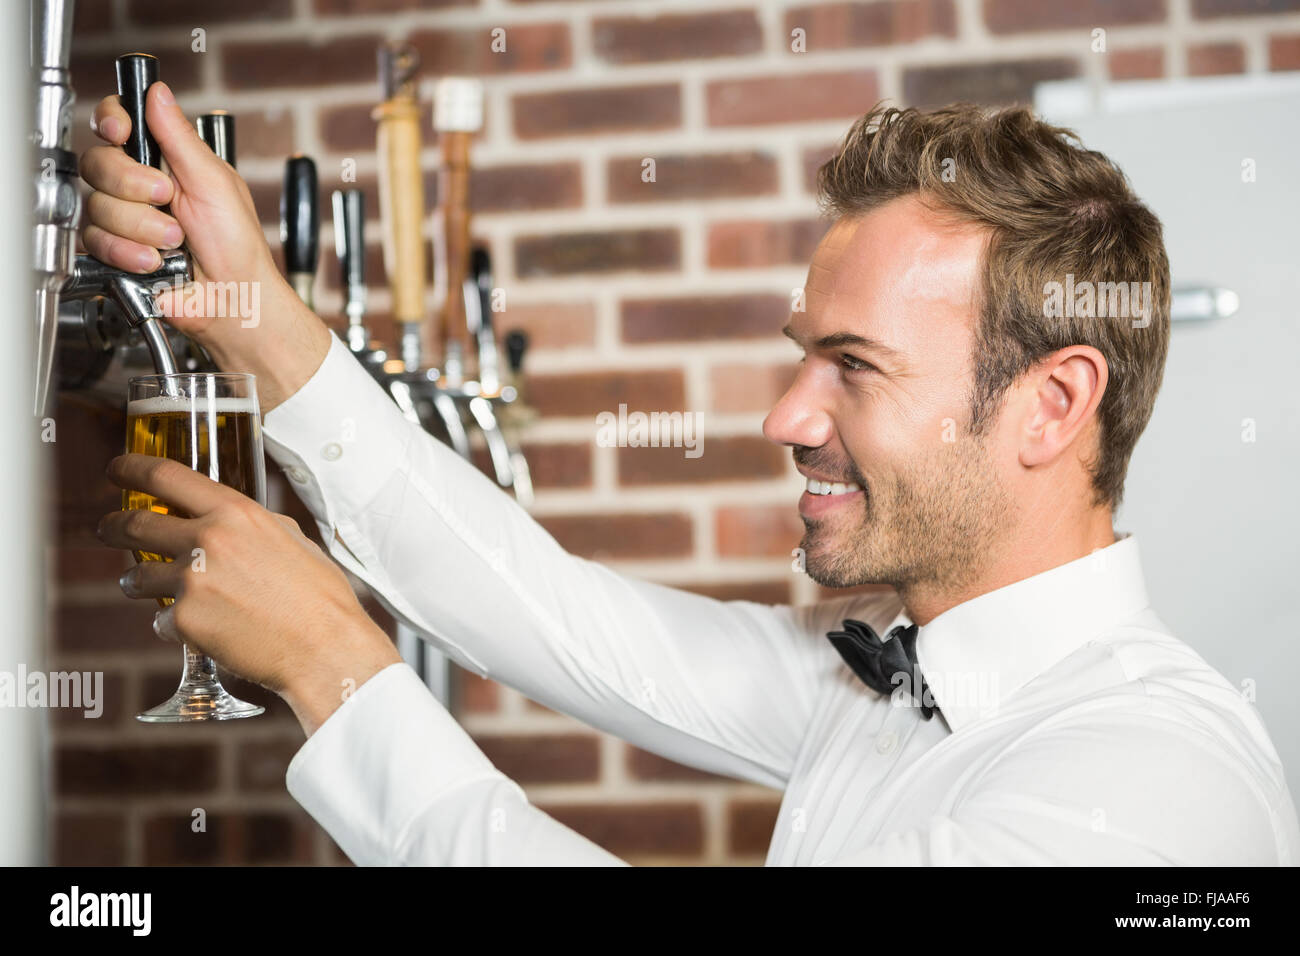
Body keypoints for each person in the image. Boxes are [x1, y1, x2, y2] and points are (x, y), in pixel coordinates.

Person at [86, 82, 1299, 865]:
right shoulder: (889, 673)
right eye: (800, 356)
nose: (786, 413)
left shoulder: (1151, 783)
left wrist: (338, 670)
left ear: (1052, 404)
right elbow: (560, 614)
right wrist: (257, 319)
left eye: (854, 366)